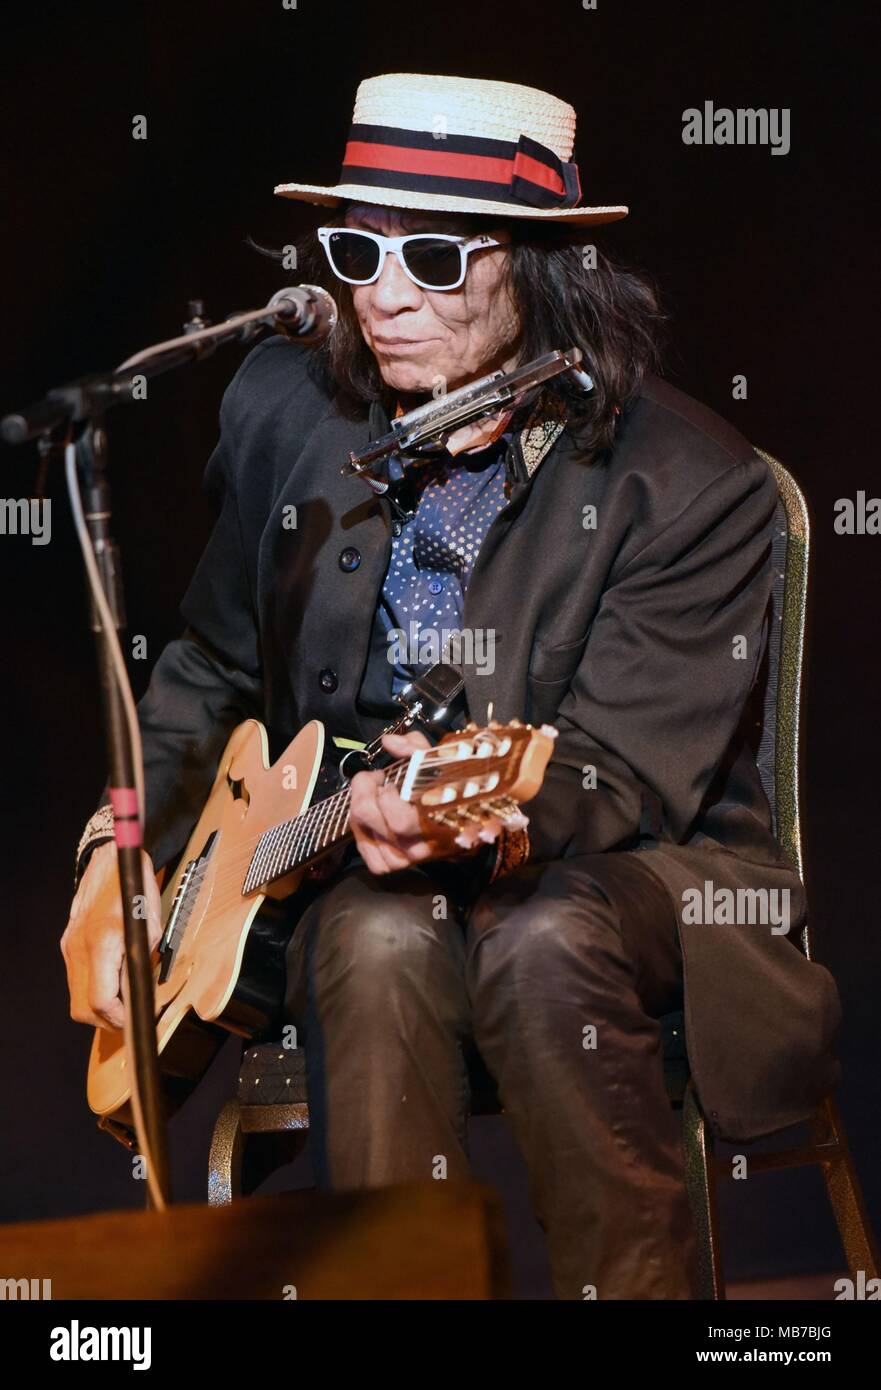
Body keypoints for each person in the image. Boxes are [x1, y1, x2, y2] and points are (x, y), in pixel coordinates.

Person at [62, 72, 841, 1299]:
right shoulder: (282, 410)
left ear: (536, 268)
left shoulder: (689, 483)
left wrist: (475, 811)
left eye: (428, 254)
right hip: (353, 865)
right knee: (373, 937)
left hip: (635, 868)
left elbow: (623, 772)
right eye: (354, 248)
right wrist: (116, 867)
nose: (379, 293)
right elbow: (208, 667)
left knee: (539, 935)